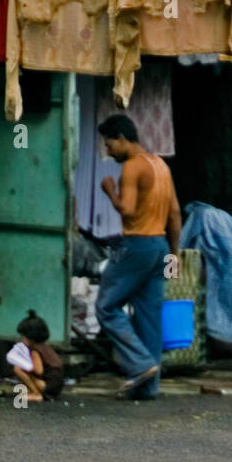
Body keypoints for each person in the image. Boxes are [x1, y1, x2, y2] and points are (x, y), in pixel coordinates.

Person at [95, 113, 182, 400]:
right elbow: (175, 214)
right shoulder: (161, 165)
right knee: (149, 317)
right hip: (159, 246)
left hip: (135, 245)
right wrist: (174, 253)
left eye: (109, 145)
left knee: (106, 307)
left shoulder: (132, 167)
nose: (107, 151)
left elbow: (128, 210)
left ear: (121, 139)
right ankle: (148, 388)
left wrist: (110, 192)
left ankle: (140, 364)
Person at [6, 311, 65, 402]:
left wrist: (24, 365)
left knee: (17, 369)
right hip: (56, 386)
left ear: (30, 338)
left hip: (48, 386)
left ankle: (36, 393)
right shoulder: (45, 347)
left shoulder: (35, 350)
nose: (21, 340)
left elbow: (38, 371)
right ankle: (35, 391)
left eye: (23, 337)